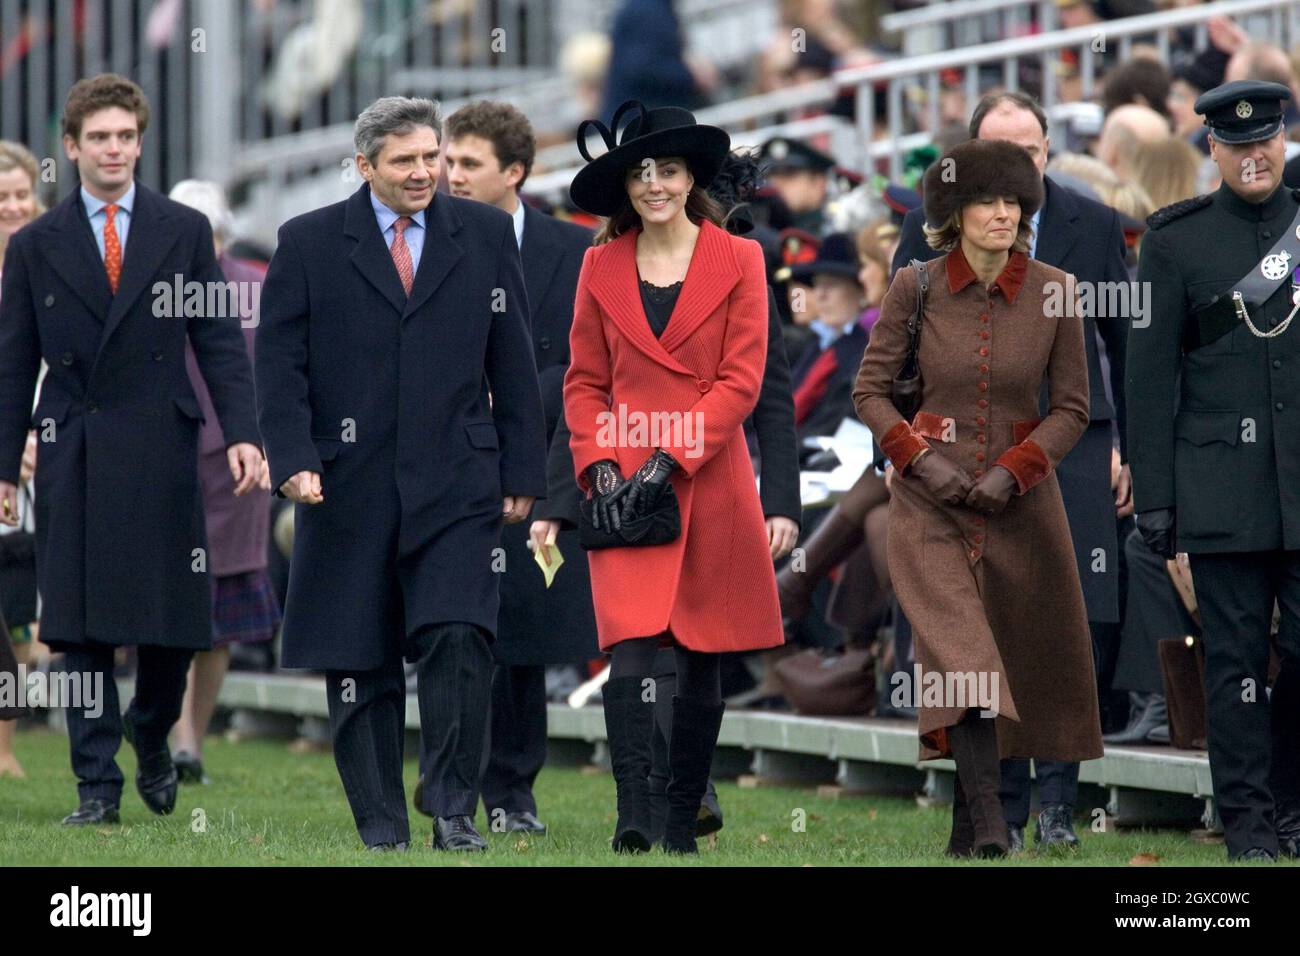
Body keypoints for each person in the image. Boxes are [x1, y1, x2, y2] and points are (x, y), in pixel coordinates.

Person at [255, 96, 547, 853]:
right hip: (345, 485)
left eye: (434, 158)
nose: (425, 173)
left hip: (458, 479)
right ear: (365, 167)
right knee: (360, 656)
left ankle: (453, 808)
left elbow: (511, 358)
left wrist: (523, 466)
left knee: (461, 635)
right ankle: (381, 824)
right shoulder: (309, 241)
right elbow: (278, 369)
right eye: (406, 161)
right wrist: (292, 461)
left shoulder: (482, 234)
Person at [0, 74, 265, 825]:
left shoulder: (181, 229)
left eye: (126, 137)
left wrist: (244, 434)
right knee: (78, 625)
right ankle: (95, 788)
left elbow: (218, 341)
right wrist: (0, 468)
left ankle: (151, 732)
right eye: (100, 138)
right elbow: (14, 362)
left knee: (172, 621)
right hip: (73, 447)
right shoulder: (38, 245)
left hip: (162, 444)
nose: (114, 149)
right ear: (72, 146)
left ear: (140, 143)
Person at [892, 90, 1129, 851]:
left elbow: (1103, 368)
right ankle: (994, 816)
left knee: (1050, 637)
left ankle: (1036, 811)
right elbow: (882, 380)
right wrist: (910, 457)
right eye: (990, 176)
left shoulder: (1079, 246)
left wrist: (1118, 447)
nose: (1006, 195)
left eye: (1025, 157)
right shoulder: (921, 262)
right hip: (938, 480)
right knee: (965, 648)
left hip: (1053, 467)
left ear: (1048, 153)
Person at [564, 100, 784, 853]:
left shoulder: (741, 258)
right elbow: (584, 382)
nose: (654, 184)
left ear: (692, 178)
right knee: (629, 645)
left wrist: (670, 458)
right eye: (640, 173)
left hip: (708, 480)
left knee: (701, 652)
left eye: (668, 169)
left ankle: (682, 817)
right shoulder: (598, 264)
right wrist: (598, 466)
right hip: (624, 484)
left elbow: (741, 380)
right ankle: (633, 814)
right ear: (625, 187)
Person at [1127, 80, 1300, 861]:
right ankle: (1250, 828)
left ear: (1283, 141)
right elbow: (1148, 380)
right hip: (1220, 490)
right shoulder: (1173, 242)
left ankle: (1291, 804)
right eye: (1236, 145)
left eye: (1264, 140)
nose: (1252, 155)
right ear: (1212, 152)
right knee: (1233, 667)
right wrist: (1156, 501)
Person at [436, 99, 597, 835]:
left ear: (516, 173)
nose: (451, 175)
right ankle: (450, 792)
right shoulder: (424, 238)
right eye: (447, 161)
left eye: (469, 163)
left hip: (540, 460)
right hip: (446, 460)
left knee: (525, 634)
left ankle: (514, 792)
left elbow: (583, 361)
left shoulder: (574, 250)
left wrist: (507, 392)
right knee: (455, 633)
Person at [166, 180, 280, 785]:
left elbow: (279, 370)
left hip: (239, 469)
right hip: (164, 464)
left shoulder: (256, 287)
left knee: (221, 614)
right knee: (169, 609)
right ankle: (167, 736)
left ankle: (191, 741)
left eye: (205, 232)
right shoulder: (149, 286)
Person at [0, 139, 44, 779]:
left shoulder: (51, 264)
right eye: (0, 198)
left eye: (19, 196)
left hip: (43, 462)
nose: (12, 207)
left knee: (22, 624)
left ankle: (4, 747)